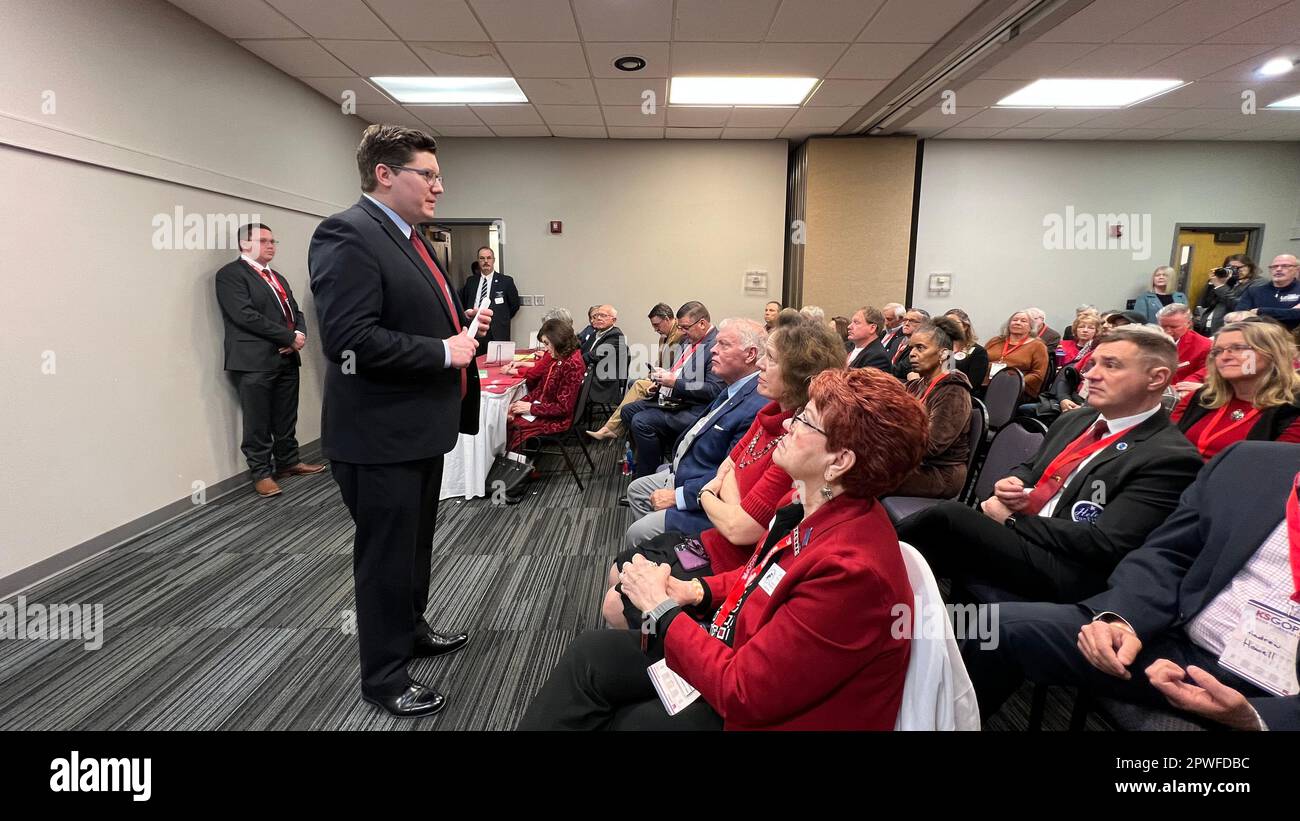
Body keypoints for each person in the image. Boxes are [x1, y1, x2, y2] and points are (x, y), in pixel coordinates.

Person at [519, 367, 929, 731]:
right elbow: (762, 575)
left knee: (631, 721)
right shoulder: (813, 508)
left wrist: (662, 609)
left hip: (763, 705)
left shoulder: (851, 571)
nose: (789, 426)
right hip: (736, 647)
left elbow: (745, 693)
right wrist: (694, 591)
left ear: (839, 462)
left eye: (805, 422)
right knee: (591, 654)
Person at [309, 124, 491, 718]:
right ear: (385, 174)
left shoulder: (413, 239)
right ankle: (384, 678)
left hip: (417, 428)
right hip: (377, 435)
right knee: (384, 558)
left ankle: (411, 628)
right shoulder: (348, 233)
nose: (439, 185)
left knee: (414, 547)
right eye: (428, 174)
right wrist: (444, 351)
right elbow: (349, 340)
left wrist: (460, 329)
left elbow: (402, 317)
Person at [965, 441, 1300, 731]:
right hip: (1177, 643)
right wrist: (1124, 617)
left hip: (1279, 693)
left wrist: (1259, 717)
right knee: (995, 627)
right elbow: (1169, 553)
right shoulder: (1252, 461)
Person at [897, 327, 1203, 603]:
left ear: (1157, 378)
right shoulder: (1076, 419)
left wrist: (1013, 519)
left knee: (949, 519)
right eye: (1093, 363)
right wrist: (1012, 483)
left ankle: (871, 572)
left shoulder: (1169, 456)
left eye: (1111, 365)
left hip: (1067, 565)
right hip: (1024, 536)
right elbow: (1029, 468)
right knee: (935, 554)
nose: (1090, 375)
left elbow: (1105, 544)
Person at [603, 319, 846, 628]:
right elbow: (727, 466)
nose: (760, 364)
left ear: (797, 375)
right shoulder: (770, 412)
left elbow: (740, 528)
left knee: (616, 601)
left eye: (770, 359)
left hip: (732, 557)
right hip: (716, 536)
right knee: (618, 570)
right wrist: (727, 495)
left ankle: (641, 661)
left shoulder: (796, 442)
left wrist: (709, 492)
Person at [619, 319, 767, 546]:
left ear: (750, 355)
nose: (714, 350)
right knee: (637, 489)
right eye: (716, 343)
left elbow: (729, 477)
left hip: (703, 491)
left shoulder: (755, 404)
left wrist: (677, 496)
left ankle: (666, 552)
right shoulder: (734, 386)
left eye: (723, 345)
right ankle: (662, 550)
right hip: (688, 469)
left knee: (636, 533)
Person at [215, 222, 324, 497]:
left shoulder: (276, 276)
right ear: (244, 245)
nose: (270, 245)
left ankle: (288, 462)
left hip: (286, 359)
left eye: (273, 241)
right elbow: (244, 315)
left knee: (286, 415)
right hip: (253, 361)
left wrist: (298, 333)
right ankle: (261, 473)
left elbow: (294, 311)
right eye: (263, 241)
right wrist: (287, 338)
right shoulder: (230, 275)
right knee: (258, 420)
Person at [621, 302, 723, 477]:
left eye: (685, 327)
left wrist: (675, 383)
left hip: (695, 408)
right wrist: (662, 380)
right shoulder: (689, 340)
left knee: (641, 422)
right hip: (676, 399)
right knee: (628, 411)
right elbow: (679, 370)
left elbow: (713, 390)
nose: (682, 332)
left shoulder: (715, 345)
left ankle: (647, 475)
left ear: (702, 323)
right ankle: (655, 458)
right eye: (680, 327)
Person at [1171, 320, 1300, 459]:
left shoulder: (1293, 408)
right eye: (1218, 351)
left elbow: (1277, 468)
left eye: (1239, 348)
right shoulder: (1201, 397)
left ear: (1272, 353)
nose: (1224, 357)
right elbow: (1167, 442)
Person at [893, 316, 973, 499]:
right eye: (911, 347)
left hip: (940, 473)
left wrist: (887, 443)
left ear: (944, 354)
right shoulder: (917, 384)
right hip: (914, 463)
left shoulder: (954, 391)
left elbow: (932, 445)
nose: (912, 353)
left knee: (862, 475)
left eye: (920, 348)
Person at [586, 303, 685, 441]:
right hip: (663, 375)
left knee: (637, 385)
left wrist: (658, 376)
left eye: (657, 325)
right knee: (634, 383)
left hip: (672, 381)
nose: (655, 329)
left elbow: (677, 366)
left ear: (668, 319)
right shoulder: (664, 337)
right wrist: (653, 373)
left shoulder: (681, 336)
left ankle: (611, 428)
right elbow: (661, 363)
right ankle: (622, 433)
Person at [505, 318, 585, 451]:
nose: (546, 349)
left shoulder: (572, 364)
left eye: (547, 344)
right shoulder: (559, 359)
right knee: (509, 419)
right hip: (546, 410)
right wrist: (517, 404)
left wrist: (530, 408)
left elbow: (564, 408)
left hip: (558, 420)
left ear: (558, 340)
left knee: (513, 425)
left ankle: (521, 465)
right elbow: (540, 390)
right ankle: (521, 460)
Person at [457, 246, 520, 356]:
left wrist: (501, 318)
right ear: (478, 261)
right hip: (475, 330)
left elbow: (514, 305)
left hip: (497, 331)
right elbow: (463, 302)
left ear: (493, 260)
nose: (485, 261)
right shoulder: (471, 281)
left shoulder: (506, 281)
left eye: (488, 258)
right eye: (482, 258)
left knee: (498, 364)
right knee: (476, 364)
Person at [984, 309, 1050, 398]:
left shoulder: (1038, 346)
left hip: (1016, 390)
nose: (1018, 323)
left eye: (1023, 321)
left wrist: (1014, 383)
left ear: (1031, 327)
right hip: (985, 385)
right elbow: (980, 361)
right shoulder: (995, 341)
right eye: (1014, 320)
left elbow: (1038, 374)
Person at [1197, 253, 1259, 335]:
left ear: (1250, 267)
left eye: (1239, 267)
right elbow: (1204, 303)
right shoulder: (1228, 282)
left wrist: (1221, 286)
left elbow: (1239, 306)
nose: (1235, 270)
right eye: (1231, 268)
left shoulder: (1258, 284)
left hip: (1230, 330)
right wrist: (1212, 284)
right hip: (1207, 328)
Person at [579, 304, 626, 405]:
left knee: (569, 381)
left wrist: (576, 361)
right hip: (590, 372)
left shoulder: (616, 335)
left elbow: (595, 355)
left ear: (613, 320)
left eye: (603, 315)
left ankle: (571, 417)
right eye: (597, 315)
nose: (599, 318)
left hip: (602, 381)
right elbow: (581, 349)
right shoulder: (595, 333)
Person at [1237, 254, 1300, 329]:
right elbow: (1240, 316)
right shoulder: (1254, 291)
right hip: (1256, 335)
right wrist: (1287, 313)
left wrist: (1260, 311)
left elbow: (1297, 314)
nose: (1278, 269)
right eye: (1274, 266)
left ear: (1297, 269)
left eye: (1285, 266)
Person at [1155, 302, 1211, 385]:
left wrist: (1183, 385)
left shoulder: (1205, 346)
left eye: (1174, 327)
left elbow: (1206, 371)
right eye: (1163, 326)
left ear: (1189, 324)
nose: (1167, 331)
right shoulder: (1149, 340)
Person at [944, 308, 989, 388]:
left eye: (953, 323)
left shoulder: (978, 352)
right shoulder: (941, 348)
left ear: (965, 326)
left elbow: (973, 384)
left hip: (962, 394)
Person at [889, 308, 930, 378]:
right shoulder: (897, 341)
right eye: (905, 320)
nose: (906, 324)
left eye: (912, 321)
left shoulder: (922, 346)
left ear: (925, 325)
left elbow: (903, 369)